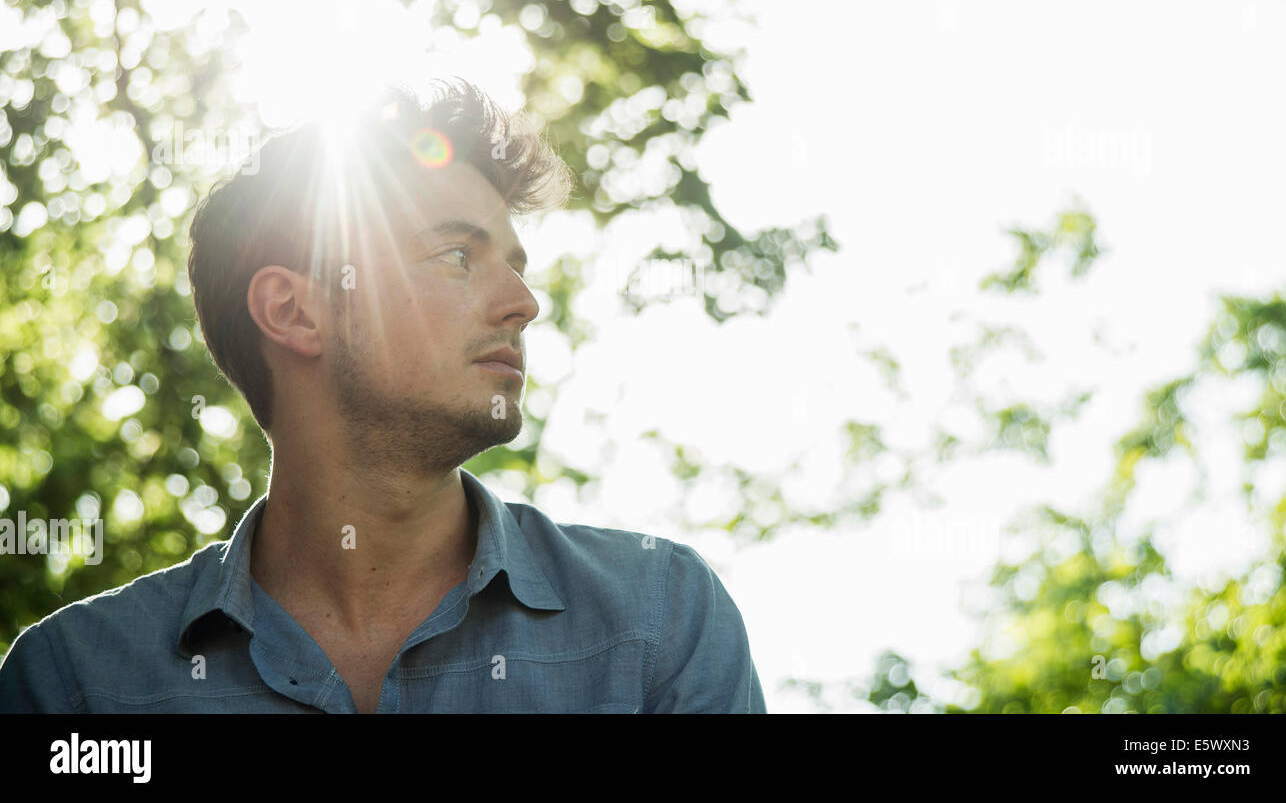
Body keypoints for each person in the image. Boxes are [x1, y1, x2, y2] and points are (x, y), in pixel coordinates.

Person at [0, 78, 765, 713]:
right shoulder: (73, 685)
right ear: (295, 311)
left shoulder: (659, 622)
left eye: (516, 262)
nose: (525, 302)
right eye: (458, 254)